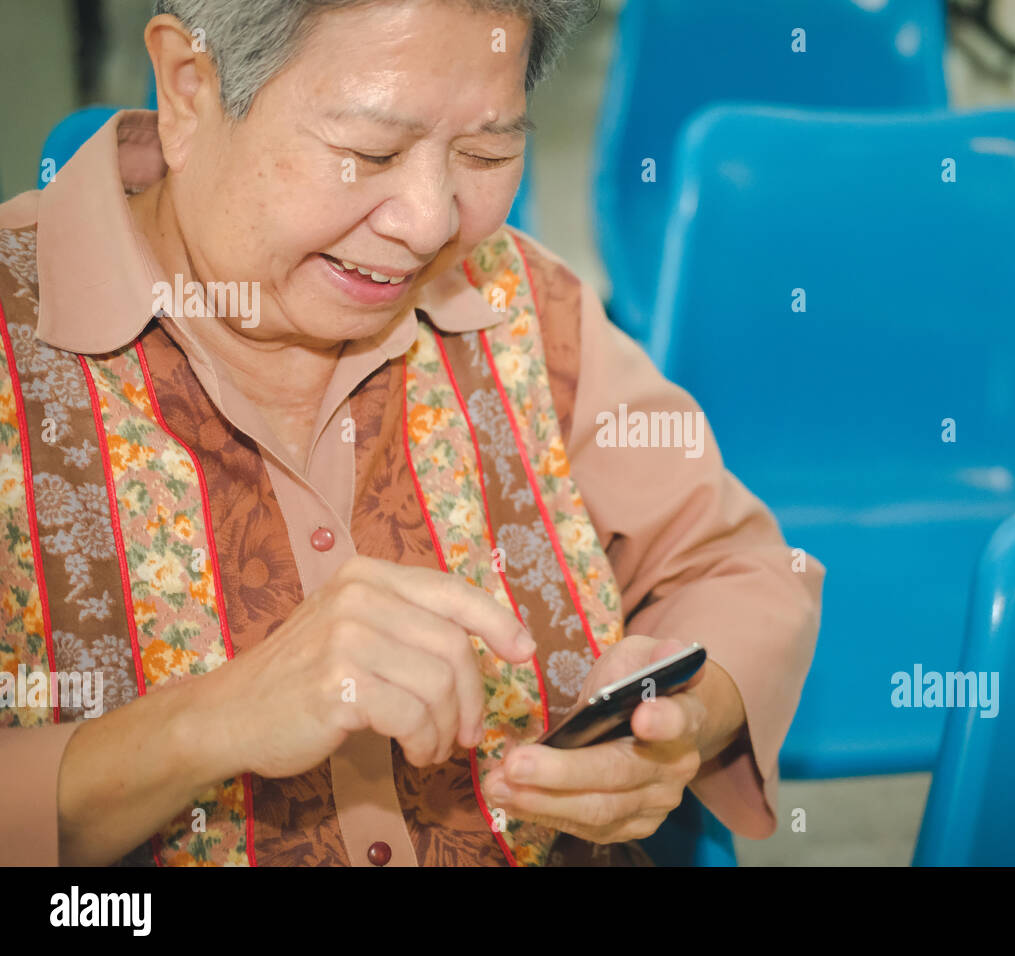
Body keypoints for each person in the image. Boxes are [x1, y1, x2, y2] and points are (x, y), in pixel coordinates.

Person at [0, 0, 823, 867]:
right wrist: (204, 725)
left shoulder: (519, 306)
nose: (430, 222)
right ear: (190, 88)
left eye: (485, 153)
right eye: (369, 154)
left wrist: (683, 721)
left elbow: (740, 568)